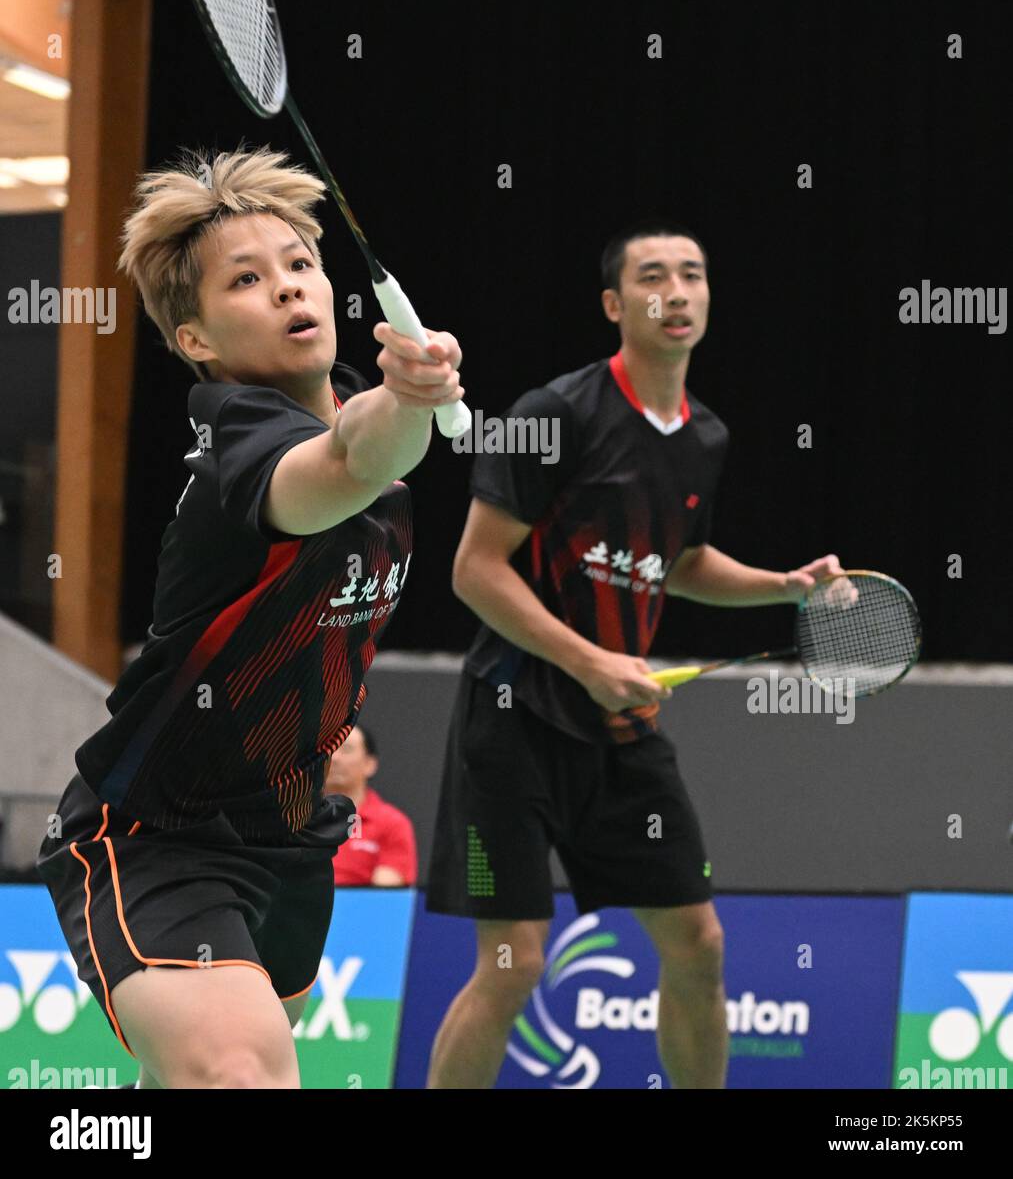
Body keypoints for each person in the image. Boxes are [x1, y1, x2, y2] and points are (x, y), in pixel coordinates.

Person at [36, 145, 463, 1089]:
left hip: (289, 838)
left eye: (299, 266)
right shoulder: (238, 451)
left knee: (193, 1080)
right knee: (242, 1072)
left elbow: (375, 441)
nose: (285, 288)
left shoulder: (358, 412)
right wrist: (410, 400)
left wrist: (404, 403)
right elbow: (351, 464)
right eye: (246, 279)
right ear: (196, 339)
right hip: (156, 839)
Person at [425, 222, 846, 1089]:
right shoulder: (552, 414)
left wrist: (786, 584)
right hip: (512, 719)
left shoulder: (705, 437)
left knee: (698, 944)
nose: (679, 291)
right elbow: (473, 570)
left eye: (693, 274)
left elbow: (679, 562)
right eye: (654, 277)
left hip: (621, 725)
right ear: (616, 304)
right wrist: (587, 660)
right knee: (514, 965)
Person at [326, 724, 417, 887]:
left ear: (369, 764)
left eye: (346, 749)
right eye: (329, 748)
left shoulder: (392, 824)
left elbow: (384, 897)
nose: (335, 757)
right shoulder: (294, 817)